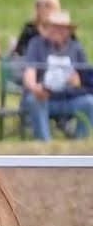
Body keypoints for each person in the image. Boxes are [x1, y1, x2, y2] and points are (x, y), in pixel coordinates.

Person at [20, 9, 93, 141]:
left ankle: (79, 142)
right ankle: (45, 143)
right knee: (33, 100)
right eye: (53, 27)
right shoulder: (36, 44)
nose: (57, 31)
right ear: (47, 28)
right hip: (45, 98)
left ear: (68, 31)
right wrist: (35, 88)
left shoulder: (76, 48)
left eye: (61, 28)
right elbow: (29, 73)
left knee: (89, 102)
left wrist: (78, 81)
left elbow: (87, 78)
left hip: (68, 98)